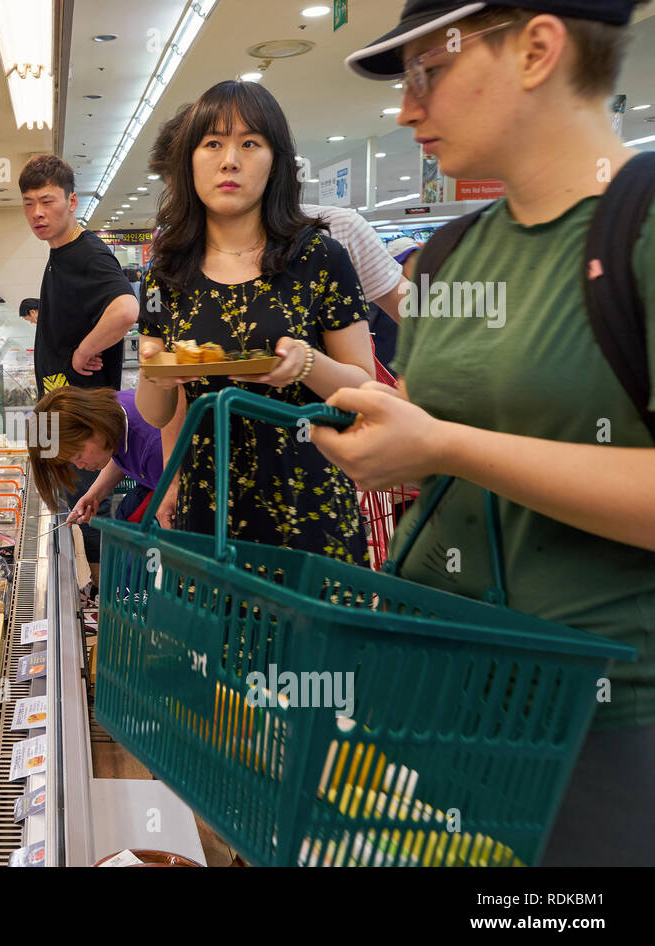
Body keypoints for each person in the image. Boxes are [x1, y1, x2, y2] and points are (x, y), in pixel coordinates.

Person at [321, 0, 655, 865]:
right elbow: (442, 466)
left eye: (429, 71)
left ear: (539, 49)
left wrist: (445, 446)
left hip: (599, 727)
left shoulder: (638, 231)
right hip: (439, 691)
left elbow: (454, 447)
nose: (406, 108)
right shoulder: (447, 258)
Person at [133, 80, 375, 563]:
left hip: (309, 497)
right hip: (209, 500)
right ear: (190, 161)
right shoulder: (165, 274)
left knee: (309, 638)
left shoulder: (319, 257)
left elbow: (364, 391)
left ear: (276, 161)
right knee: (217, 637)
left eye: (250, 143)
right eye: (213, 144)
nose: (230, 160)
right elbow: (159, 412)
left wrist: (307, 363)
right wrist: (157, 373)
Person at [20, 154, 139, 574]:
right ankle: (82, 585)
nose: (37, 212)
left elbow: (127, 310)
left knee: (89, 506)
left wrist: (84, 350)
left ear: (71, 202)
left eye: (48, 201)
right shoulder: (60, 251)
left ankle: (102, 599)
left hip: (82, 422)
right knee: (65, 503)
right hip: (58, 414)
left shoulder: (88, 252)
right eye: (29, 203)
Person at [26, 386, 164, 526]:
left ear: (93, 428)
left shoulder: (153, 450)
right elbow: (125, 453)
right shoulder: (112, 411)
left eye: (79, 456)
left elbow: (178, 529)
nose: (80, 466)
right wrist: (94, 495)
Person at [366, 237, 423, 372]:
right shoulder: (380, 296)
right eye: (412, 258)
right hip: (390, 368)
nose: (417, 263)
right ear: (399, 264)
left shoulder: (422, 291)